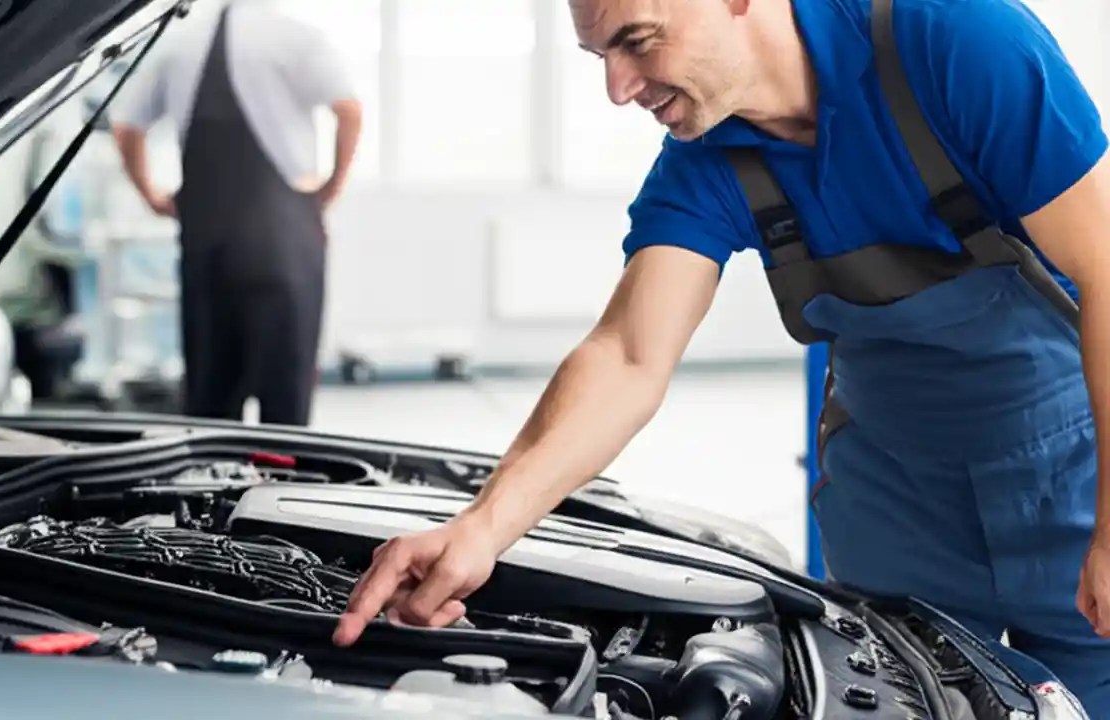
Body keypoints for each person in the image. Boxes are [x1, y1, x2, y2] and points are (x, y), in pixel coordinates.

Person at [333, 0, 1110, 711]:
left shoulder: (956, 43)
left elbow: (1107, 270)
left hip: (1072, 479)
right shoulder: (708, 160)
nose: (618, 86)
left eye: (635, 42)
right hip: (896, 501)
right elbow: (629, 355)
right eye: (598, 55)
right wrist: (479, 530)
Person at [109, 0, 362, 424]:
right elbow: (349, 109)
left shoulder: (176, 42)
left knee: (211, 396)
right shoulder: (295, 37)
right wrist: (332, 185)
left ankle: (216, 485)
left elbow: (125, 125)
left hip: (207, 240)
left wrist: (151, 194)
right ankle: (282, 479)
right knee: (285, 393)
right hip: (284, 239)